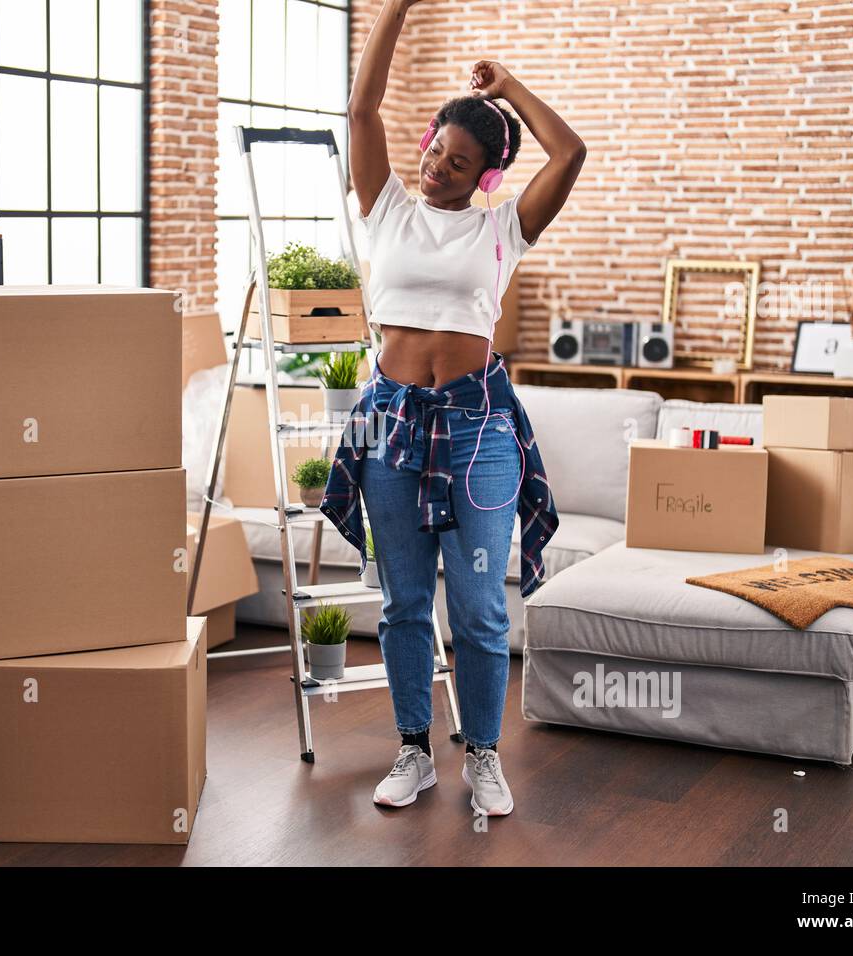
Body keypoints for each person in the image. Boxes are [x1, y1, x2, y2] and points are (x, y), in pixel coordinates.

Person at [321, 0, 586, 817]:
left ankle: (481, 756)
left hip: (478, 431)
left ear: (486, 177)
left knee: (477, 605)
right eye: (437, 148)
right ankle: (412, 750)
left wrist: (511, 84)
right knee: (402, 601)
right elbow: (361, 107)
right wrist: (396, 7)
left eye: (460, 161)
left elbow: (571, 151)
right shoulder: (388, 205)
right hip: (392, 423)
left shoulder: (505, 229)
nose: (438, 165)